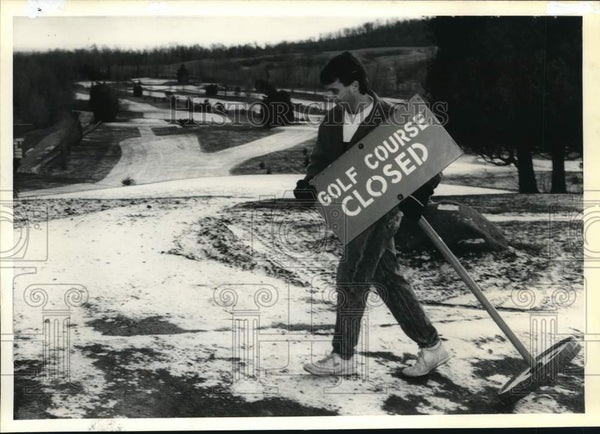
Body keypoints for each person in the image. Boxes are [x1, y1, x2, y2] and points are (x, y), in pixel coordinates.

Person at [294, 51, 450, 377]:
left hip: (382, 212)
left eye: (335, 90)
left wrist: (420, 195)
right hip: (353, 213)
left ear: (355, 84)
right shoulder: (334, 119)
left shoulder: (391, 117)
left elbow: (429, 161)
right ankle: (433, 346)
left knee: (350, 276)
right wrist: (309, 184)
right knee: (388, 280)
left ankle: (343, 356)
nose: (331, 98)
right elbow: (320, 161)